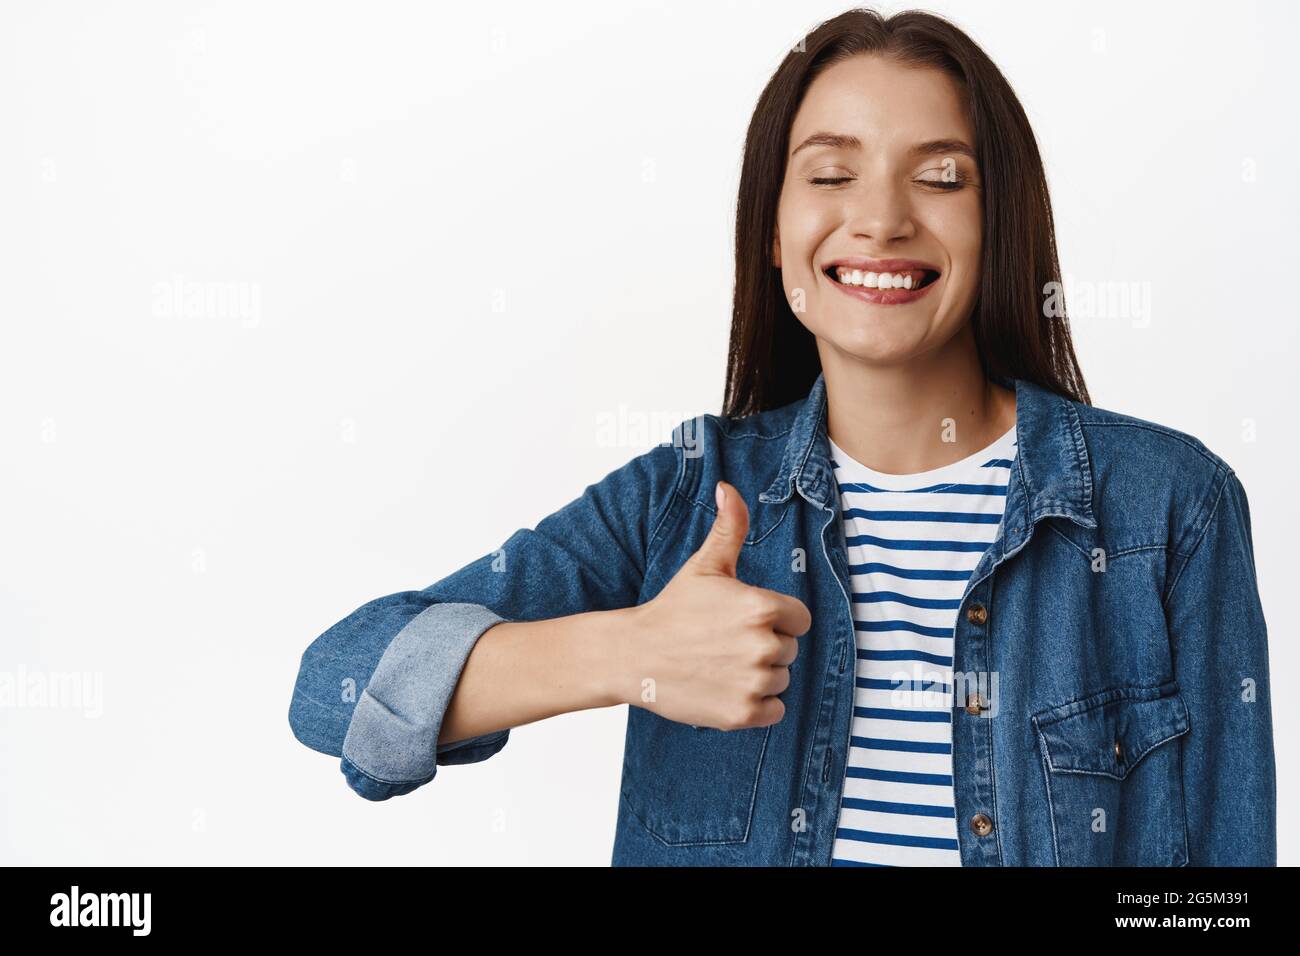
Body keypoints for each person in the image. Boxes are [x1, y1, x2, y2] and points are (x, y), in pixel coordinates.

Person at [288, 8, 1276, 866]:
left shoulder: (1167, 505)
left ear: (1001, 221)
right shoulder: (686, 493)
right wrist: (629, 650)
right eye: (832, 174)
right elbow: (333, 691)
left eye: (938, 177)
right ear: (772, 228)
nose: (879, 219)